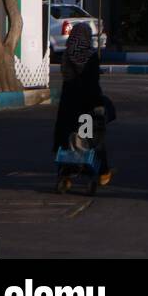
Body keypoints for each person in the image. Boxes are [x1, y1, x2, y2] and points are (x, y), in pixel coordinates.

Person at [52, 22, 112, 187]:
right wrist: (98, 103)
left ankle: (65, 175)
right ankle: (101, 172)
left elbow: (66, 78)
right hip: (86, 105)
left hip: (68, 105)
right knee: (91, 138)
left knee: (66, 140)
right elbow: (92, 83)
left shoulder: (66, 54)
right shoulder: (91, 56)